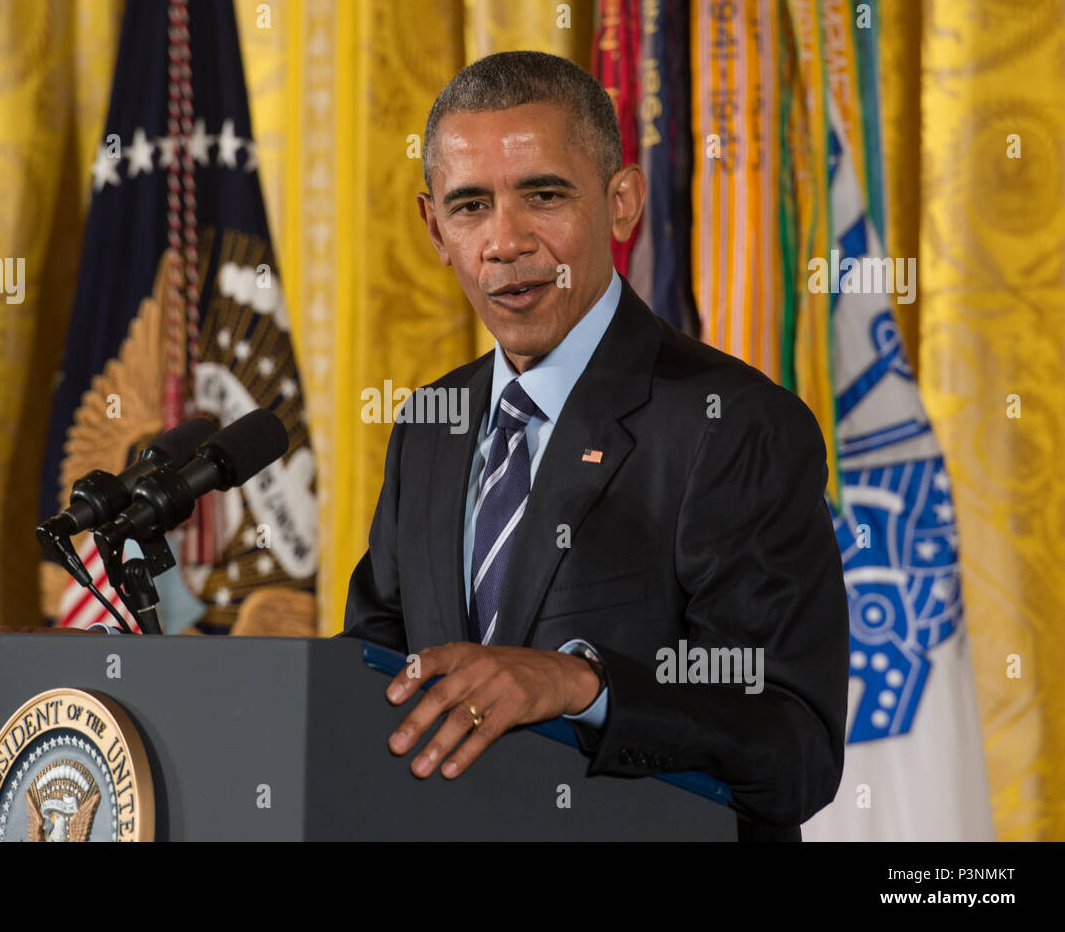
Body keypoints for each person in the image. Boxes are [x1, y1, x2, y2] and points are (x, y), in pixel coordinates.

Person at [340, 50, 848, 836]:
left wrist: (583, 684)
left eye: (542, 195)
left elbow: (795, 747)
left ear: (621, 203)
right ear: (434, 227)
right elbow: (370, 675)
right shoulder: (429, 426)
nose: (505, 242)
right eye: (470, 206)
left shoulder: (734, 424)